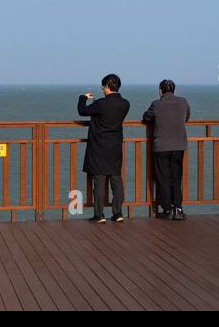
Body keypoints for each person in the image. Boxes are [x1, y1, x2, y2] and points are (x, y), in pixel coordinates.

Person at [77, 74, 130, 223]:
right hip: (115, 146)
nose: (102, 90)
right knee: (116, 179)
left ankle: (99, 215)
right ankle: (118, 213)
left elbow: (82, 111)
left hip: (99, 147)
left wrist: (83, 97)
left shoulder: (100, 104)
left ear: (107, 87)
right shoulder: (125, 104)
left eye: (102, 87)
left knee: (99, 181)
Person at [142, 79, 190, 220]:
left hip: (161, 146)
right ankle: (178, 208)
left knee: (162, 178)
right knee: (176, 177)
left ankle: (167, 209)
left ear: (160, 91)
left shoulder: (156, 104)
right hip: (179, 145)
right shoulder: (183, 101)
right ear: (175, 90)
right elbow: (186, 116)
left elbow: (146, 117)